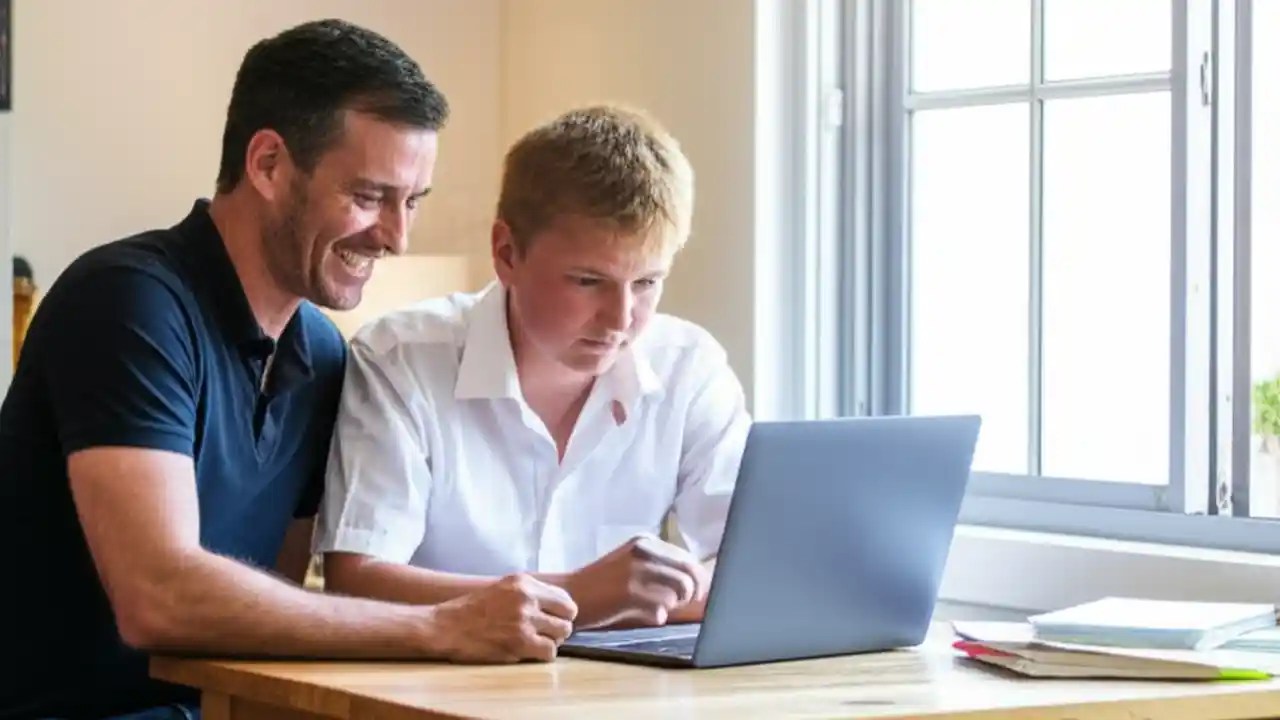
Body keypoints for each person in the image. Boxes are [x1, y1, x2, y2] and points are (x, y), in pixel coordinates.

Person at [0, 19, 575, 720]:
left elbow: (275, 610)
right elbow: (158, 595)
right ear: (268, 164)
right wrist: (442, 626)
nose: (397, 236)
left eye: (412, 201)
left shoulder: (325, 354)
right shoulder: (128, 303)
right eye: (369, 196)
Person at [316, 105, 751, 631]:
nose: (620, 320)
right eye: (588, 281)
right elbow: (357, 579)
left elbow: (758, 565)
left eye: (646, 284)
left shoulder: (689, 368)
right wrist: (579, 596)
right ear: (506, 254)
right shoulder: (400, 359)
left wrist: (667, 592)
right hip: (440, 696)